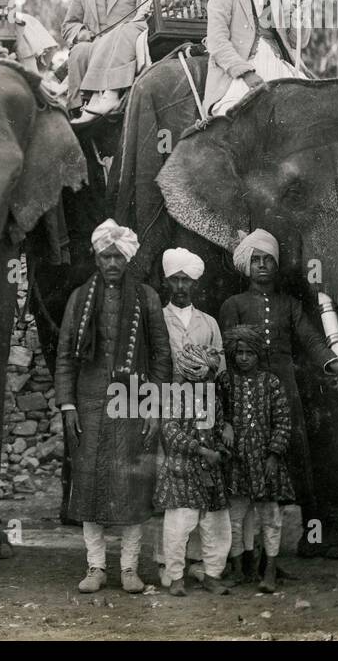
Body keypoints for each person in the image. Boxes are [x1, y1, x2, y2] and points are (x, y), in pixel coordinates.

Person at [218, 229, 338, 575]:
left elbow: (310, 339)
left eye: (268, 260)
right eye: (256, 260)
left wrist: (334, 361)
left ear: (277, 266)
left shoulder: (289, 305)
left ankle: (283, 550)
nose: (263, 266)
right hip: (245, 396)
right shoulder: (233, 305)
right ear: (246, 266)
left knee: (287, 469)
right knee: (246, 475)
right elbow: (227, 355)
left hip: (285, 394)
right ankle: (246, 557)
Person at [55, 219, 172, 594]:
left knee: (132, 487)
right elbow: (64, 358)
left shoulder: (147, 298)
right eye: (105, 256)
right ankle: (95, 567)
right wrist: (68, 405)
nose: (112, 263)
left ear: (128, 258)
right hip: (88, 403)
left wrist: (154, 407)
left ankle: (129, 568)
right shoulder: (79, 298)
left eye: (118, 256)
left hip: (133, 401)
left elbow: (161, 356)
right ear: (96, 257)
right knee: (88, 486)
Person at [154, 247, 232, 596]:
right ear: (167, 281)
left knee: (206, 486)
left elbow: (222, 368)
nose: (181, 286)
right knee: (175, 485)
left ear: (195, 283)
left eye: (187, 280)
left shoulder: (208, 322)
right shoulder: (158, 318)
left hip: (205, 404)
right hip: (169, 401)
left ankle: (205, 566)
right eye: (176, 279)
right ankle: (170, 568)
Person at [204, 0, 312, 117]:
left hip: (278, 66)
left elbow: (298, 42)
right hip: (237, 72)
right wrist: (247, 74)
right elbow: (217, 42)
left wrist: (300, 0)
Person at [220, 324, 293, 594]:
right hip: (237, 460)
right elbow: (217, 413)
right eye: (238, 352)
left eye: (249, 352)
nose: (243, 358)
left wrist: (274, 454)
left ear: (258, 354)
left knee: (270, 516)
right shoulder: (225, 382)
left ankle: (270, 569)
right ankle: (239, 569)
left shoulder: (271, 382)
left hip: (264, 459)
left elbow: (284, 421)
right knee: (235, 516)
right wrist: (225, 424)